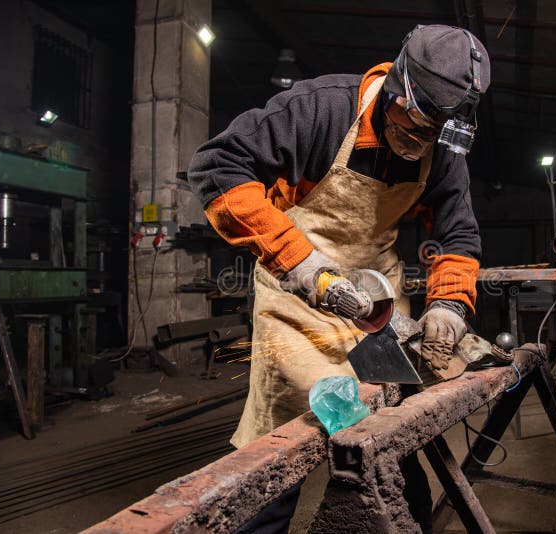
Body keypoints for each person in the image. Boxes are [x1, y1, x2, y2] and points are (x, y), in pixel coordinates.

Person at [188, 24, 490, 533]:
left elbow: (458, 235)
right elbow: (217, 169)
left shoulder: (440, 153)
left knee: (388, 445)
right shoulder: (319, 110)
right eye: (412, 127)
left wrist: (450, 305)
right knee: (281, 453)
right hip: (297, 301)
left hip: (379, 308)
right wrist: (298, 262)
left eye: (432, 136)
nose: (418, 146)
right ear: (397, 84)